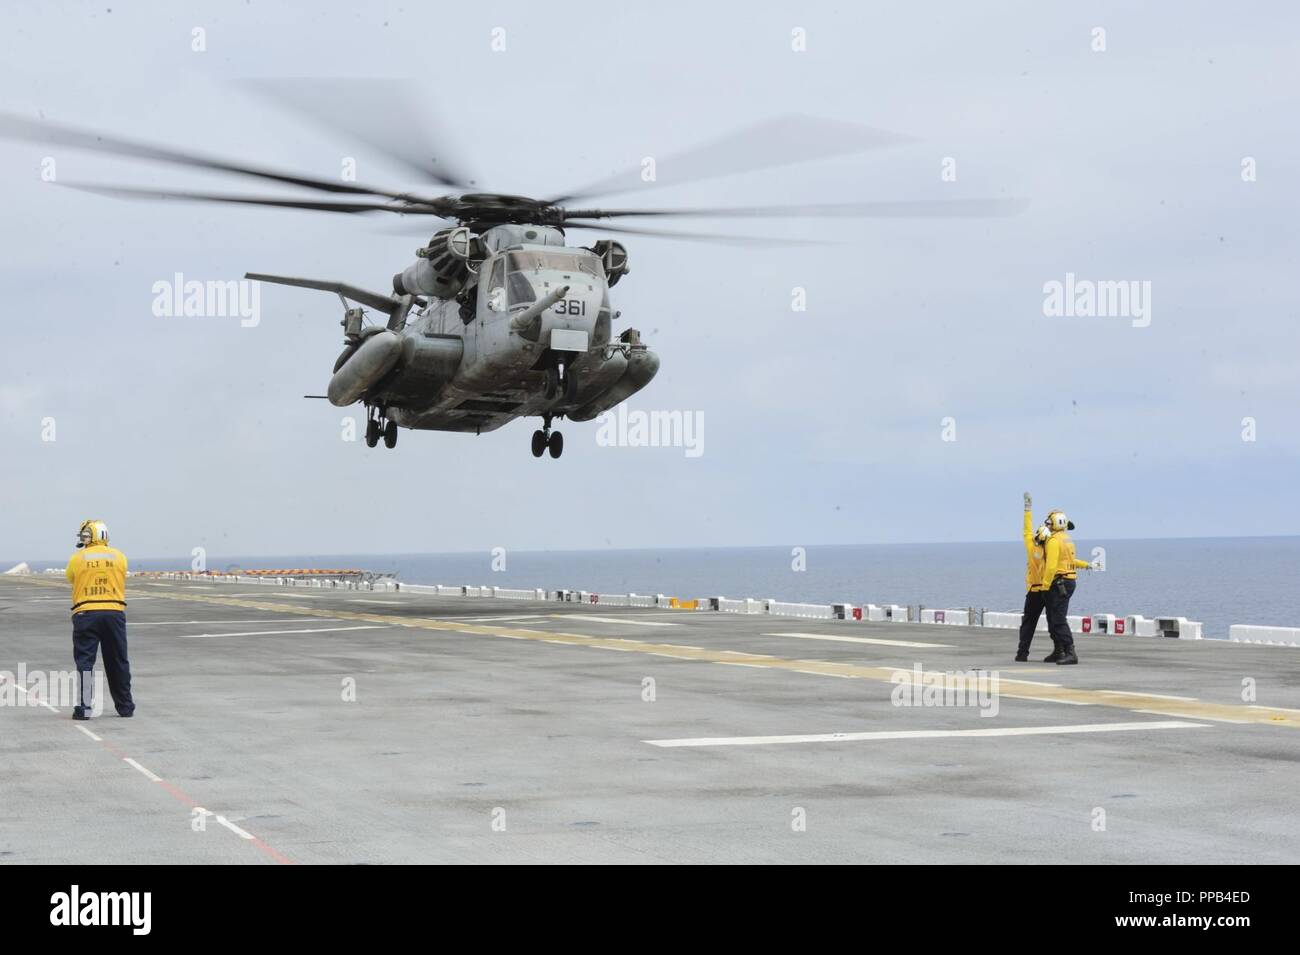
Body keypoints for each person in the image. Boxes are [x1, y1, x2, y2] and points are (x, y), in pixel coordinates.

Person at [65, 519, 134, 719]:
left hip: (85, 613)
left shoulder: (78, 558)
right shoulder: (120, 557)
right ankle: (125, 707)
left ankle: (85, 708)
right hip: (114, 613)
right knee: (118, 661)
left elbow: (70, 577)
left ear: (89, 536)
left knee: (85, 663)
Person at [1039, 509, 1092, 665]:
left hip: (1058, 583)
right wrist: (1087, 565)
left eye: (1048, 523)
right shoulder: (1067, 539)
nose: (1047, 525)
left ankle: (1070, 652)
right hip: (1067, 581)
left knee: (1058, 619)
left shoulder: (1054, 541)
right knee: (1052, 617)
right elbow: (1071, 561)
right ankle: (1058, 651)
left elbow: (1051, 566)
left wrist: (1045, 585)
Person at [1015, 492, 1051, 662]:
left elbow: (1026, 528)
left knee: (1028, 623)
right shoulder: (1051, 548)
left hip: (1034, 591)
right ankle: (1060, 650)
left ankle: (1022, 653)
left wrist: (1027, 508)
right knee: (1055, 622)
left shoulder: (1031, 546)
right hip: (1048, 589)